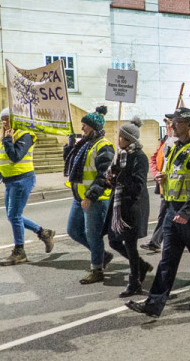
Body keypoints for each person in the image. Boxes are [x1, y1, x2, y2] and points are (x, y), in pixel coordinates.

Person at [126, 107, 190, 317]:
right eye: (172, 122)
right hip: (172, 209)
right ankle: (153, 304)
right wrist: (162, 177)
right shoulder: (175, 146)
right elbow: (177, 173)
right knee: (167, 260)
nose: (172, 125)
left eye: (177, 122)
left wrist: (186, 211)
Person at [0, 108, 55, 266]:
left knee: (14, 216)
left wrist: (7, 140)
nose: (5, 122)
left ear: (16, 119)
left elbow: (16, 157)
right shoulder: (4, 137)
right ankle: (44, 233)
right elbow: (1, 162)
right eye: (3, 119)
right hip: (9, 181)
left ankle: (20, 251)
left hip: (22, 180)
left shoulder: (25, 135)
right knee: (12, 216)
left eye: (7, 119)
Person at [63, 106, 115, 284]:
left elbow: (103, 176)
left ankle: (97, 269)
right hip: (80, 197)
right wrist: (69, 147)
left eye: (85, 125)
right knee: (73, 231)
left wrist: (90, 196)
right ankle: (101, 255)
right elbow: (70, 163)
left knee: (93, 235)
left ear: (94, 128)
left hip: (95, 199)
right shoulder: (84, 145)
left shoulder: (104, 146)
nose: (82, 128)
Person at [105, 117, 154, 298]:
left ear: (129, 139)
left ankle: (134, 282)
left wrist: (122, 176)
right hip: (119, 206)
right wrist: (111, 179)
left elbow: (138, 186)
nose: (118, 139)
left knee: (131, 246)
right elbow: (116, 182)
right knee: (114, 241)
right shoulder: (120, 155)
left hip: (133, 206)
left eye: (121, 137)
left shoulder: (139, 157)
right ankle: (141, 266)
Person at [142, 114, 177, 252]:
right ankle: (156, 242)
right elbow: (154, 158)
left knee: (170, 214)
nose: (168, 126)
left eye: (170, 123)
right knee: (166, 214)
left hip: (174, 186)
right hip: (164, 184)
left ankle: (156, 241)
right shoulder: (166, 140)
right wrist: (156, 173)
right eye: (167, 123)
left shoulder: (178, 141)